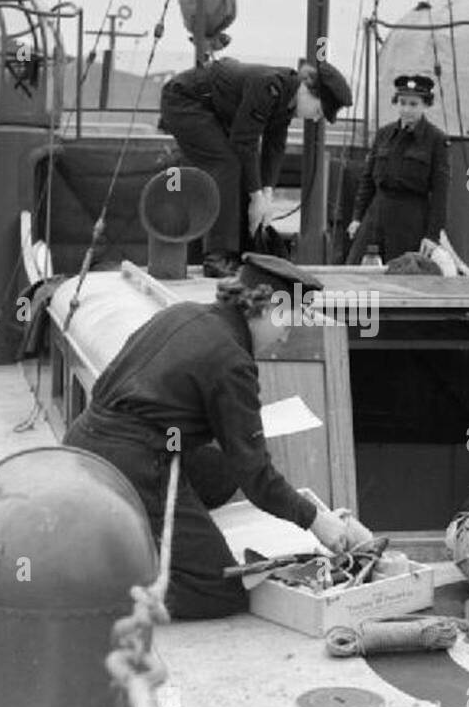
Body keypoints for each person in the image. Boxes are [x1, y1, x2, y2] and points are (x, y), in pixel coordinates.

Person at [63, 253, 372, 619]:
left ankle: (139, 529)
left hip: (82, 445)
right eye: (289, 319)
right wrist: (316, 521)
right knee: (220, 591)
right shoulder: (232, 360)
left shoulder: (183, 313)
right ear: (268, 307)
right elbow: (256, 476)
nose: (288, 333)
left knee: (221, 474)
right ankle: (104, 585)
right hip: (134, 466)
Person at [159, 59, 353, 278]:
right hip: (185, 101)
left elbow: (274, 147)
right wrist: (256, 197)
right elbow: (244, 142)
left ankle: (240, 250)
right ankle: (217, 256)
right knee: (227, 164)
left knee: (241, 170)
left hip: (213, 111)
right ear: (308, 90)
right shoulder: (268, 86)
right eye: (318, 110)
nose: (316, 118)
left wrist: (266, 193)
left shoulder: (287, 98)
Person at [346, 74, 451, 264]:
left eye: (413, 104)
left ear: (425, 105)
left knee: (402, 275)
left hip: (410, 220)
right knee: (357, 269)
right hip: (376, 215)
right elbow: (368, 180)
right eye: (402, 103)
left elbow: (440, 192)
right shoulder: (384, 134)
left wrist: (432, 235)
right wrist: (357, 217)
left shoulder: (436, 140)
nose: (406, 109)